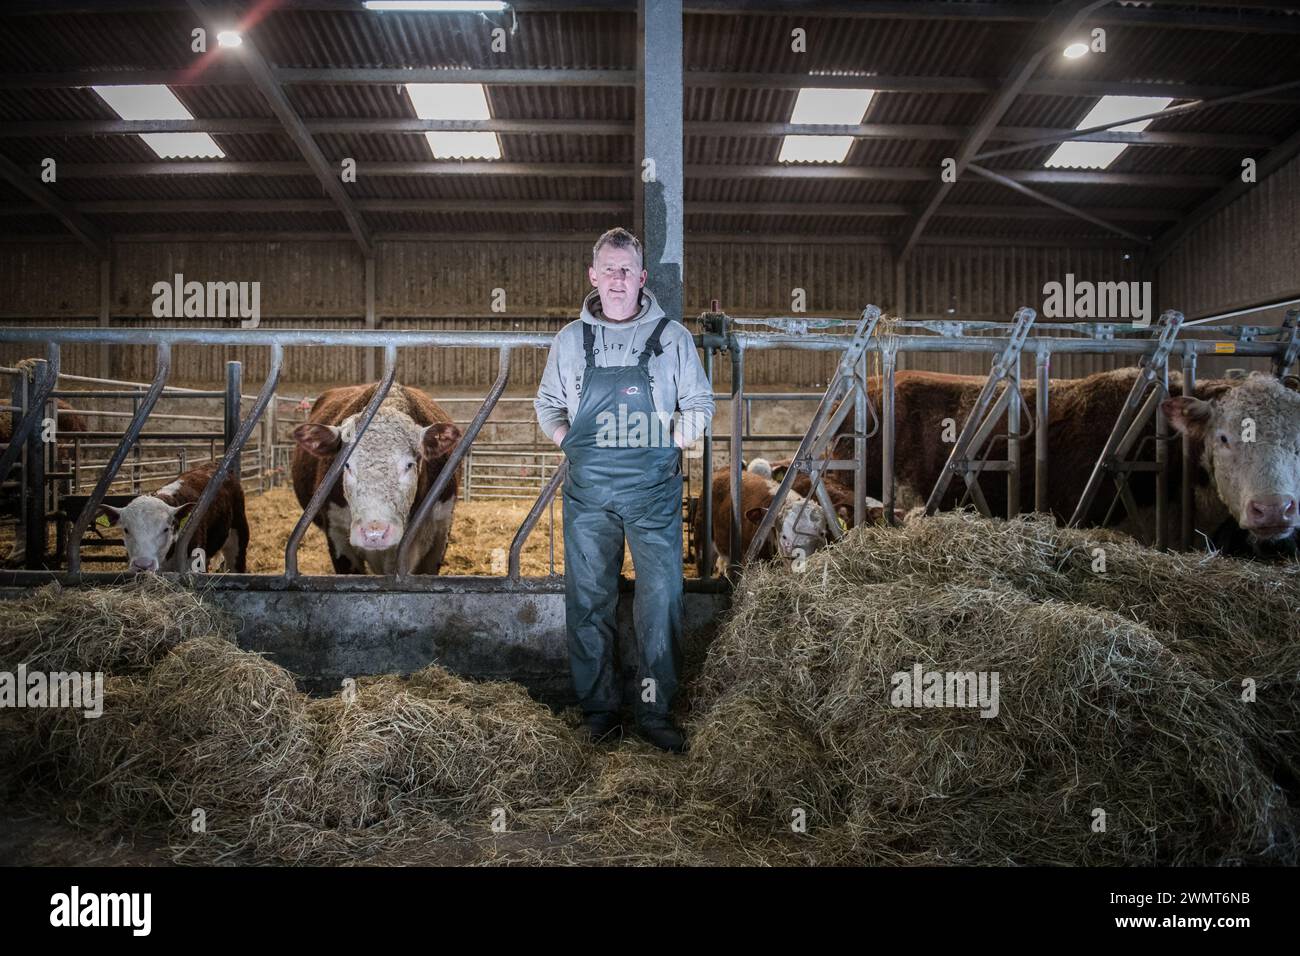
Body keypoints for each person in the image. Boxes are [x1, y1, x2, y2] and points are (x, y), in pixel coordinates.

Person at [533, 227, 714, 752]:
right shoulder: (570, 340)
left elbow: (700, 406)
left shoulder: (673, 338)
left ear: (642, 277)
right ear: (593, 276)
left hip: (653, 492)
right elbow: (547, 404)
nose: (616, 279)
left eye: (625, 270)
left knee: (660, 599)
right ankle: (600, 711)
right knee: (589, 600)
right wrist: (573, 442)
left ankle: (655, 712)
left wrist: (666, 441)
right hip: (589, 494)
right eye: (607, 269)